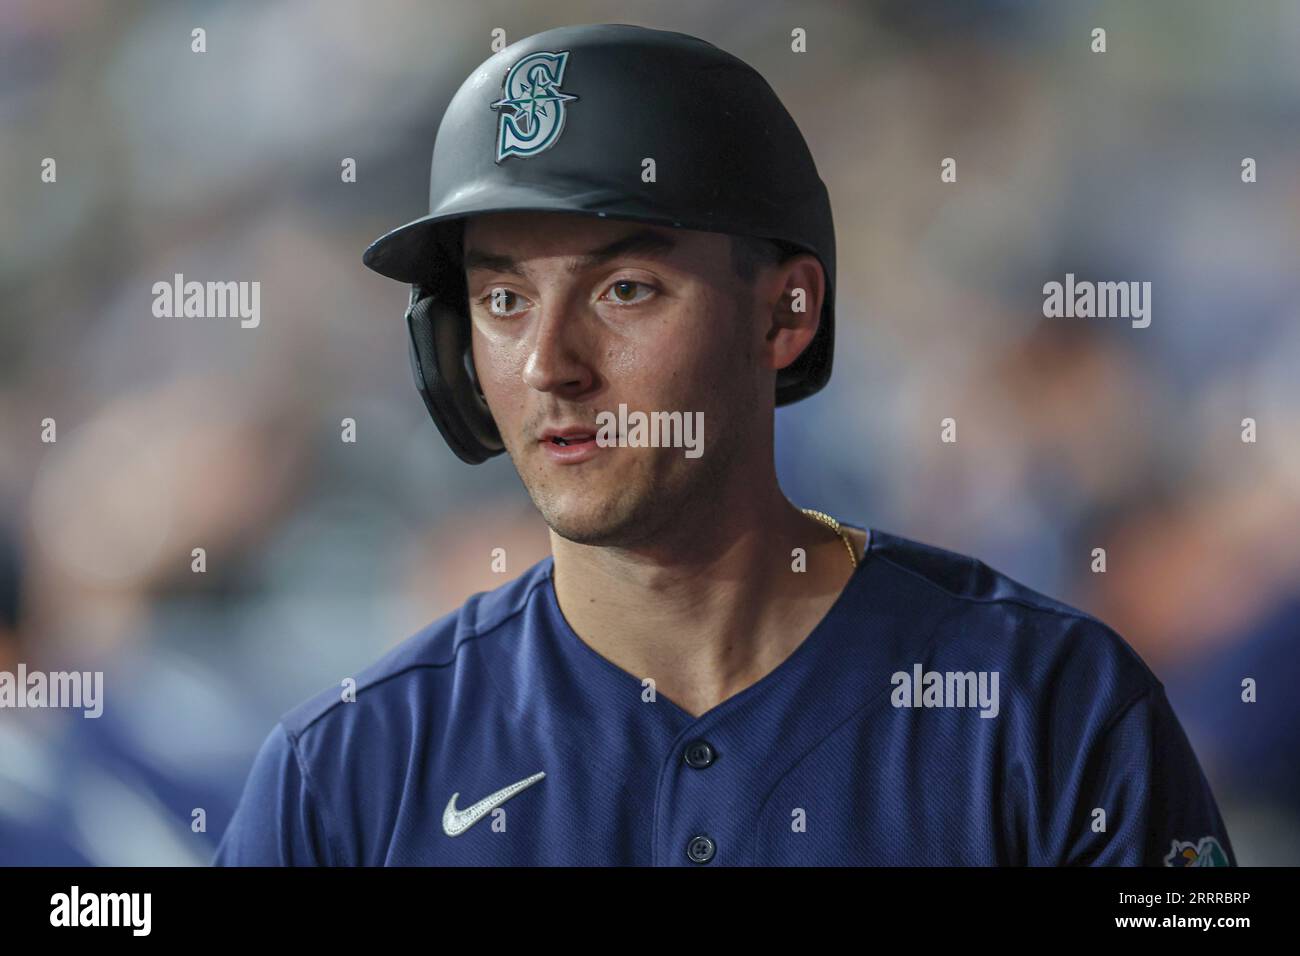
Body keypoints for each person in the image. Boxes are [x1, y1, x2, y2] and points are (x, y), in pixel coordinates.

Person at [214, 23, 1234, 866]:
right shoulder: (348, 770)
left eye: (624, 290)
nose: (549, 364)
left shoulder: (1050, 705)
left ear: (784, 312)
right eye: (503, 300)